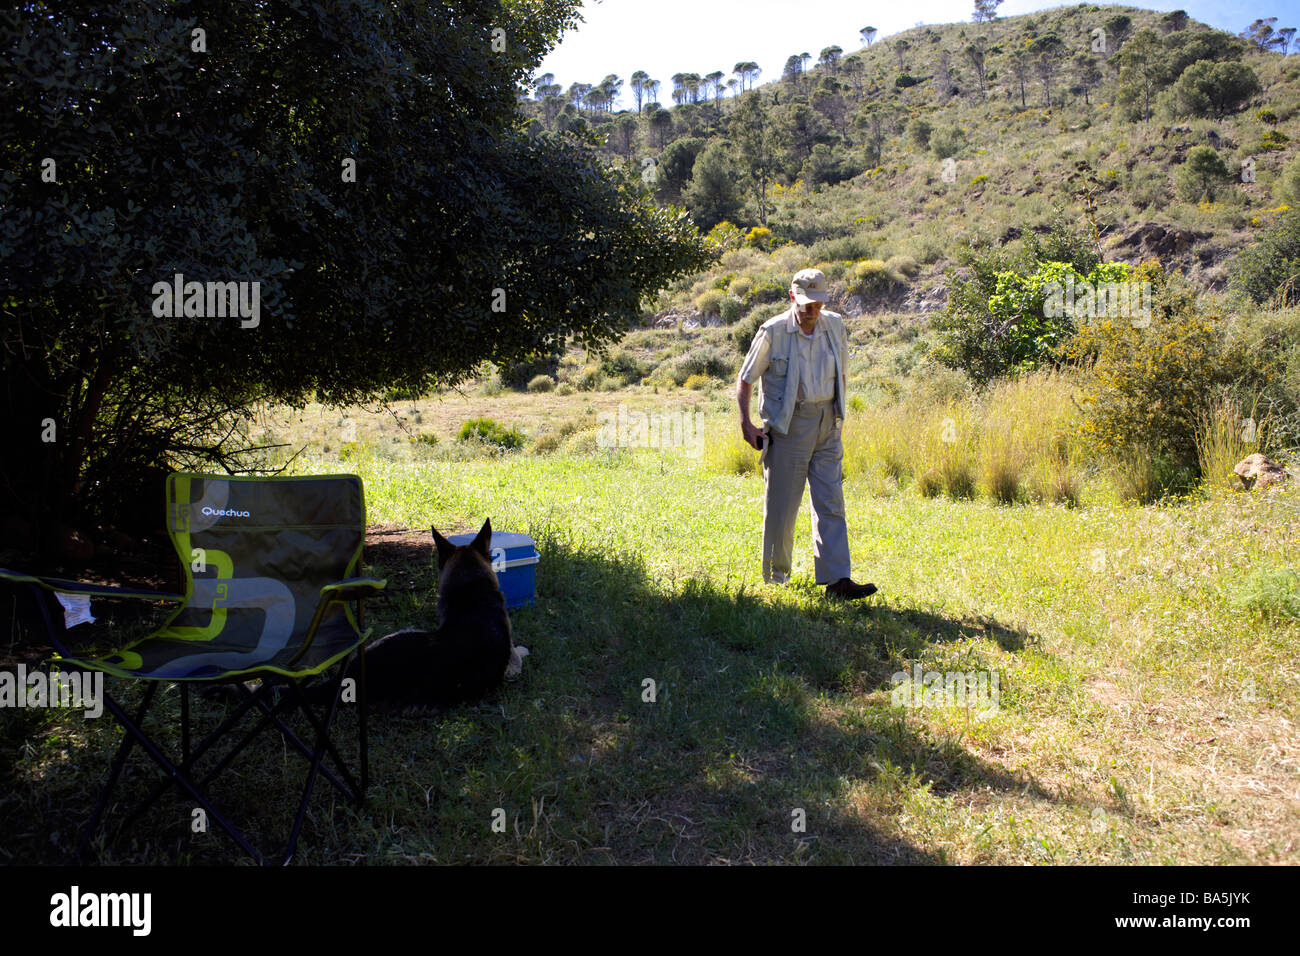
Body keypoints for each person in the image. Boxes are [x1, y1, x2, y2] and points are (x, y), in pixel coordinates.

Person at [736, 268, 877, 600]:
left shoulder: (835, 325)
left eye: (818, 302)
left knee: (831, 501)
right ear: (791, 297)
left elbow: (841, 371)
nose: (813, 309)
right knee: (783, 506)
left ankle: (837, 580)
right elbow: (745, 379)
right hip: (789, 426)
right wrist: (746, 424)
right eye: (806, 303)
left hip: (828, 422)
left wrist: (838, 414)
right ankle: (775, 580)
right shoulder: (772, 332)